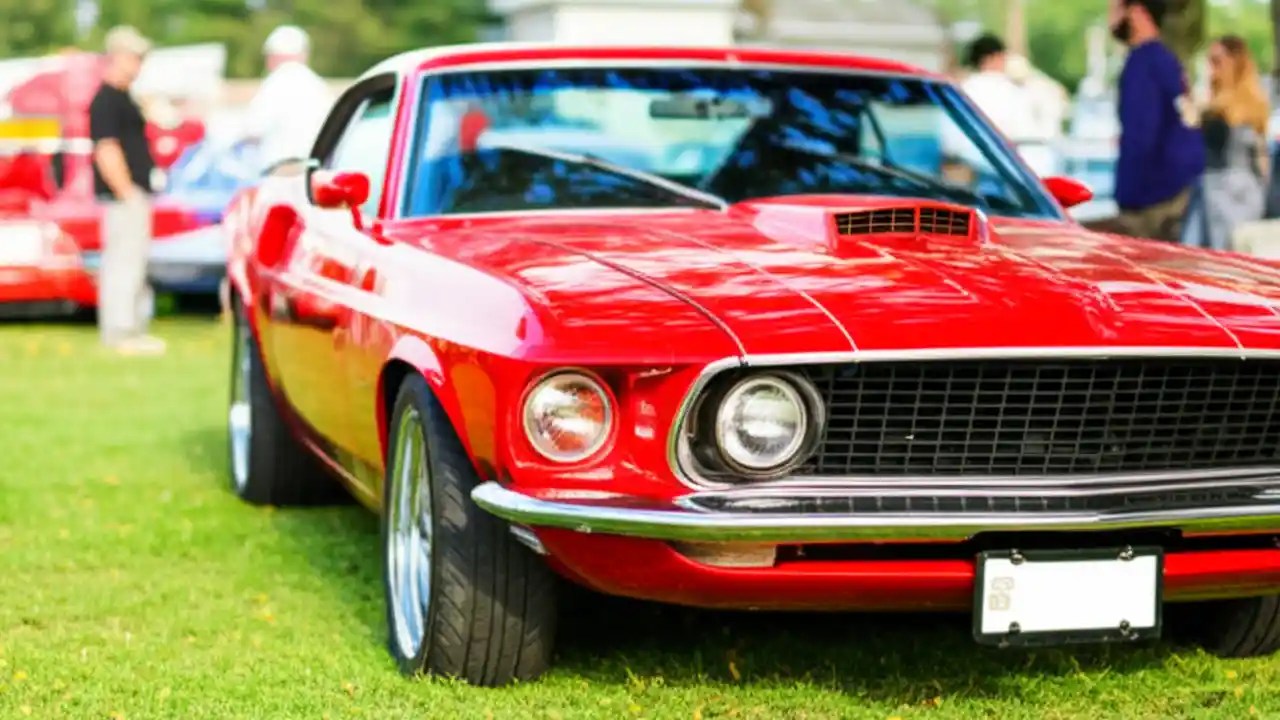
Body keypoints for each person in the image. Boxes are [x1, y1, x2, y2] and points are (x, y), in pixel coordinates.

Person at [89, 26, 164, 355]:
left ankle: (134, 326)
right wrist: (126, 191)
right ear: (118, 56)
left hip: (134, 192)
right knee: (124, 263)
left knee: (135, 262)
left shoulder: (126, 98)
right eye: (135, 57)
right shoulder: (106, 101)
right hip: (124, 195)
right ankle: (121, 331)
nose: (140, 65)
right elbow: (106, 149)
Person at [1109, 0, 1205, 242]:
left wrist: (1129, 196)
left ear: (1136, 12)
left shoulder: (1144, 64)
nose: (1111, 17)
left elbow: (1141, 135)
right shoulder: (1167, 61)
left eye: (1116, 8)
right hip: (1175, 187)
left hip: (1152, 197)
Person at [1196, 35, 1269, 251]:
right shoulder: (1214, 105)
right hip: (1224, 192)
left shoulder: (1246, 105)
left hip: (1234, 193)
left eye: (1217, 60)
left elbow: (1262, 157)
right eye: (1210, 61)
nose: (1212, 68)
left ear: (1235, 62)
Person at [241, 25, 333, 172]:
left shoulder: (275, 83)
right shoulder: (318, 86)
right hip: (316, 172)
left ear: (272, 56)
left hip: (282, 172)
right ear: (304, 54)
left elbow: (253, 129)